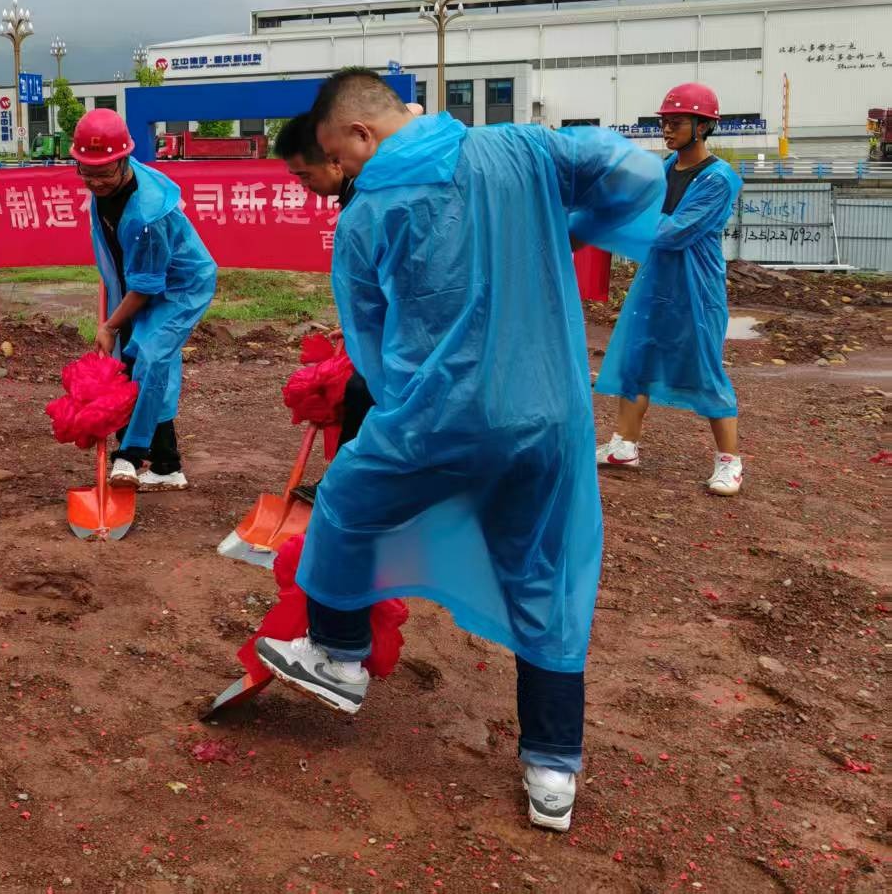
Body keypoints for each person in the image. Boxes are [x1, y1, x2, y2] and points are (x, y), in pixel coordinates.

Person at [254, 70, 663, 834]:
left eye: (338, 153)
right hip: (548, 417)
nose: (340, 168)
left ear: (360, 134)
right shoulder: (525, 149)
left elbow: (370, 343)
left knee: (346, 502)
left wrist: (407, 408)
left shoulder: (368, 212)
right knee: (544, 581)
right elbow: (636, 169)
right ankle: (552, 773)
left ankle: (339, 656)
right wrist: (572, 230)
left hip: (439, 419)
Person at [596, 83, 745, 495]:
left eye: (676, 122)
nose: (667, 129)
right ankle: (624, 446)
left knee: (703, 365)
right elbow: (639, 207)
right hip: (656, 280)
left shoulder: (719, 179)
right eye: (664, 122)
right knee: (637, 357)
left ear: (703, 126)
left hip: (695, 287)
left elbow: (676, 232)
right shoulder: (665, 168)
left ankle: (729, 462)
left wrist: (617, 222)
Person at [71, 109, 218, 490]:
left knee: (149, 357)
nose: (95, 181)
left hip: (181, 287)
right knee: (133, 361)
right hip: (140, 278)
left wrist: (110, 325)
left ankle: (129, 456)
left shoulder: (148, 213)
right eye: (87, 170)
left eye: (104, 172)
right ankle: (167, 467)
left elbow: (149, 286)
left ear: (123, 160)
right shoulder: (109, 187)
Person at [273, 110, 372, 465]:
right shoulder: (355, 195)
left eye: (305, 175)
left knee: (361, 392)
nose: (304, 186)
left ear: (333, 160)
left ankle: (347, 481)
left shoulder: (371, 200)